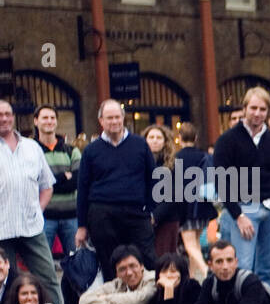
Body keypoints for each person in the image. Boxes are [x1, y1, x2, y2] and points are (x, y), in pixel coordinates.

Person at [214, 87, 270, 286]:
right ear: (245, 108)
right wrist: (238, 215)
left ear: (268, 112)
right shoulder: (227, 140)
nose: (257, 113)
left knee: (268, 268)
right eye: (253, 108)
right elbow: (222, 182)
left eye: (262, 109)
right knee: (243, 268)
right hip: (243, 209)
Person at [76, 99, 156, 279]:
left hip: (136, 213)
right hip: (103, 215)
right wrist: (81, 225)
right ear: (101, 121)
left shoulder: (140, 145)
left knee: (148, 260)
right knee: (110, 264)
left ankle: (149, 303)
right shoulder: (91, 150)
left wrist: (151, 210)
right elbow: (83, 189)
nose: (114, 121)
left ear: (123, 118)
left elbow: (153, 179)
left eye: (117, 117)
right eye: (109, 118)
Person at [0, 99, 63, 304]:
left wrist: (39, 210)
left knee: (47, 278)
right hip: (2, 229)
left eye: (7, 113)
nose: (4, 118)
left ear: (13, 116)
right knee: (6, 283)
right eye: (0, 114)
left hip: (31, 227)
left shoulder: (31, 147)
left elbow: (47, 186)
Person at [34, 105, 80, 260]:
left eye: (52, 118)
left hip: (71, 216)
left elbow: (76, 182)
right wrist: (61, 177)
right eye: (45, 118)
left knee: (76, 264)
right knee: (42, 264)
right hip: (44, 217)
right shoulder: (31, 151)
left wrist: (48, 183)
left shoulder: (71, 150)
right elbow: (33, 183)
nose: (49, 121)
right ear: (36, 121)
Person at [174, 123, 214, 282]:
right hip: (203, 205)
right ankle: (191, 280)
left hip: (186, 207)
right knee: (195, 244)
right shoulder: (205, 156)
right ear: (196, 138)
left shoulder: (177, 158)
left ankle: (206, 272)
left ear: (179, 138)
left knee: (190, 246)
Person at [144, 125, 180, 260]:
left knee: (164, 260)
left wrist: (155, 216)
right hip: (144, 219)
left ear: (165, 142)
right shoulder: (139, 162)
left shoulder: (173, 164)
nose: (155, 141)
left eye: (159, 138)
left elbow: (175, 195)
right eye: (151, 137)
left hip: (167, 219)